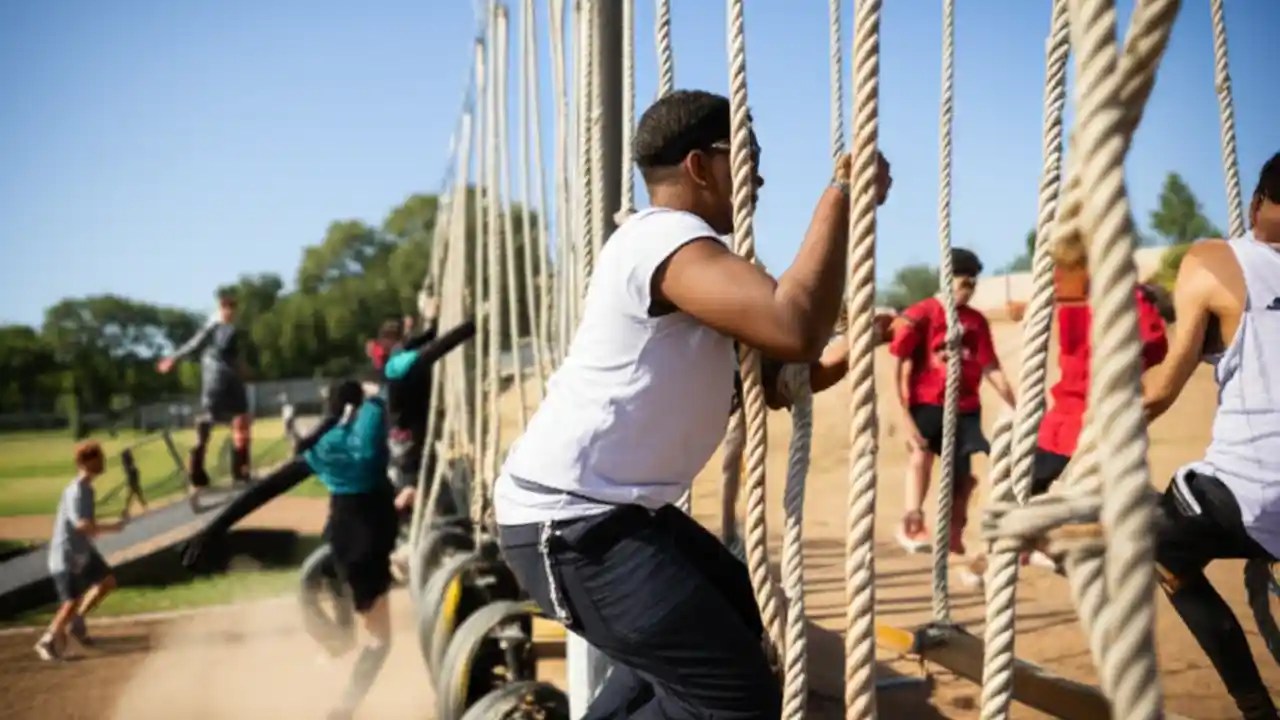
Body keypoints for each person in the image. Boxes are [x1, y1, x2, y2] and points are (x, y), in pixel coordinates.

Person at [493, 89, 892, 719]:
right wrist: (840, 196)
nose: (760, 176)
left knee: (736, 619)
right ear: (700, 165)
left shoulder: (691, 260)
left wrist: (849, 350)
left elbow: (773, 381)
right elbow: (792, 326)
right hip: (574, 525)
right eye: (748, 157)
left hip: (610, 516)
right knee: (736, 704)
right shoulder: (665, 240)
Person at [1143, 152, 1280, 720]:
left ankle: (1254, 705)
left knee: (1157, 544)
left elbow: (1158, 392)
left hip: (1250, 495)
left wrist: (1097, 430)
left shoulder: (1214, 259)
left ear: (1256, 201)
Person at [179, 318, 476, 574]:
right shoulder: (352, 436)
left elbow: (270, 487)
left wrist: (216, 527)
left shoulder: (387, 406)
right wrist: (215, 527)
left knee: (408, 497)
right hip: (397, 493)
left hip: (415, 483)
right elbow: (273, 484)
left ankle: (399, 549)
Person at [887, 248, 1015, 557]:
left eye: (973, 285)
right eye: (963, 283)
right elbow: (901, 365)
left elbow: (990, 366)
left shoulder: (976, 321)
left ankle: (954, 532)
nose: (968, 290)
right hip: (927, 401)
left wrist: (1016, 403)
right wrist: (904, 416)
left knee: (963, 475)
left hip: (965, 407)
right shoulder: (922, 314)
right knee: (921, 456)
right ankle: (912, 521)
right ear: (947, 279)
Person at [1031, 263, 1169, 497]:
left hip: (1087, 429)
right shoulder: (1080, 301)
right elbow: (1155, 346)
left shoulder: (1117, 300)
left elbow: (1153, 343)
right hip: (1070, 428)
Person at [34, 441, 127, 661]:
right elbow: (82, 525)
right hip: (66, 554)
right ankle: (47, 640)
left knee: (107, 581)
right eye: (98, 458)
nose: (103, 462)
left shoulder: (87, 489)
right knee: (70, 602)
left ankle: (76, 623)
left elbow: (87, 526)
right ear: (85, 462)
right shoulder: (77, 490)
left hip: (82, 551)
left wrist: (99, 529)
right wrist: (113, 527)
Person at [157, 290, 254, 487]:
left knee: (213, 420)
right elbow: (216, 349)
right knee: (239, 419)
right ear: (223, 309)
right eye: (229, 310)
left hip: (215, 381)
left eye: (233, 311)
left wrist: (173, 358)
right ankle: (239, 470)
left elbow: (195, 345)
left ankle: (199, 467)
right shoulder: (223, 328)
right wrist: (173, 358)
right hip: (223, 379)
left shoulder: (213, 327)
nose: (232, 315)